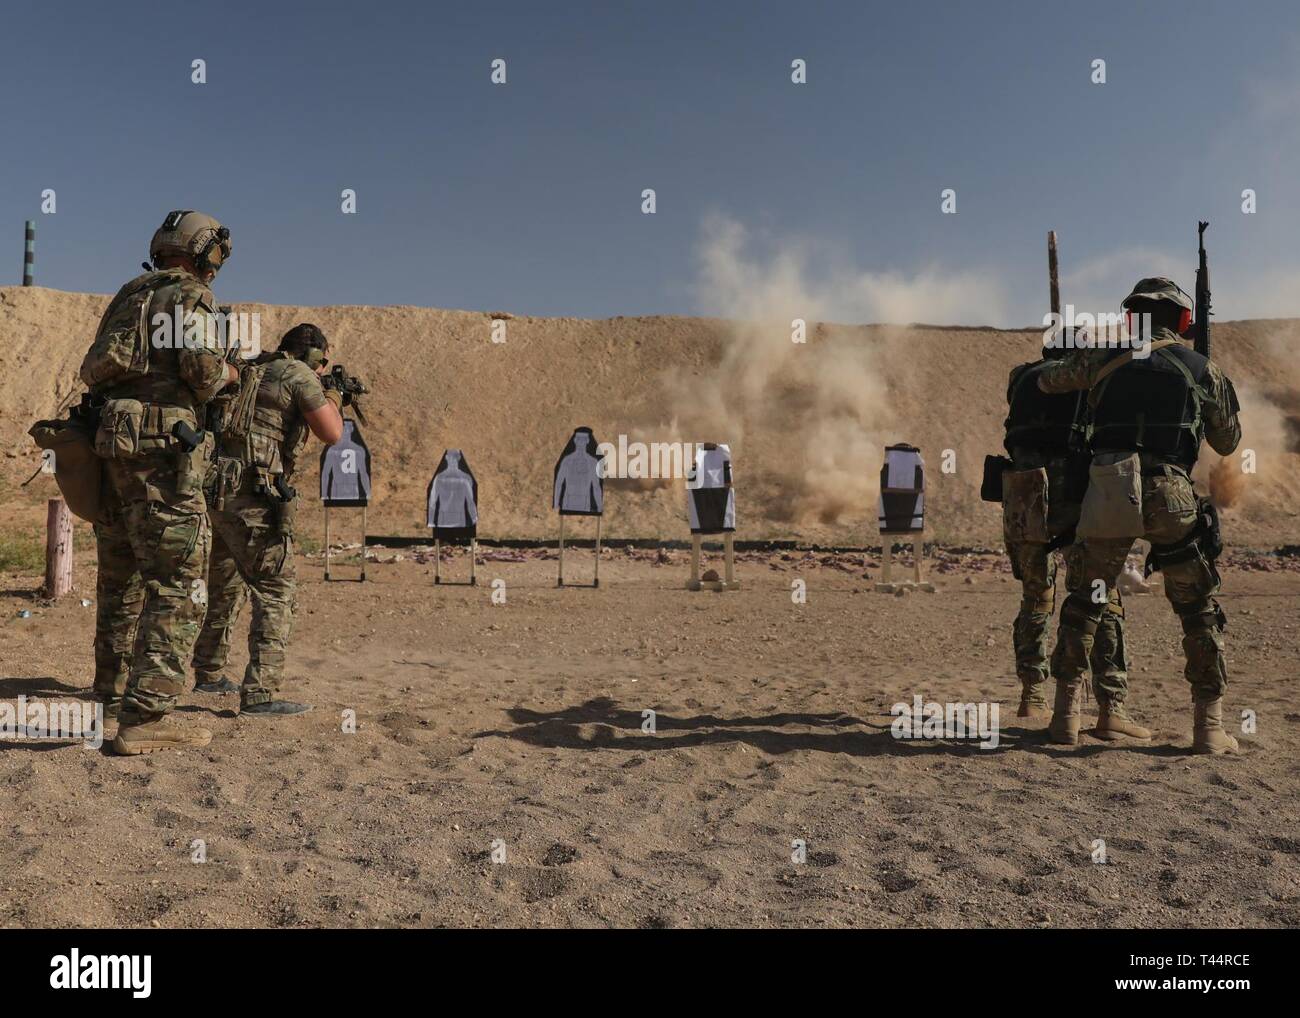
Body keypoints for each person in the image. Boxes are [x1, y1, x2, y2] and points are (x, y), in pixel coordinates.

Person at [1039, 278, 1242, 753]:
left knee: (1085, 603)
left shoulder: (1105, 360)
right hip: (1170, 492)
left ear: (1134, 317)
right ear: (1185, 322)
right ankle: (1208, 727)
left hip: (1108, 487)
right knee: (1197, 609)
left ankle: (1066, 717)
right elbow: (1227, 442)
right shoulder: (1202, 368)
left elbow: (1049, 379)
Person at [83, 210, 238, 754]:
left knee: (120, 574)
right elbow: (202, 373)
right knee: (178, 582)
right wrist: (232, 372)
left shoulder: (130, 292)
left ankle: (109, 691)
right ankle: (147, 719)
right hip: (163, 453)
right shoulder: (191, 297)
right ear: (205, 253)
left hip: (114, 448)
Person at [190, 323, 343, 715]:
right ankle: (260, 694)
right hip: (254, 496)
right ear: (313, 356)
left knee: (225, 581)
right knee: (276, 589)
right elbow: (331, 433)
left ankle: (208, 673)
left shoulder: (252, 369)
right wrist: (333, 396)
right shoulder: (299, 375)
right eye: (321, 361)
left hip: (217, 490)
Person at [1001, 333, 1144, 736]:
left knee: (1036, 597)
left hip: (1023, 495)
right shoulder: (1084, 378)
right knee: (1101, 596)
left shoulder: (1020, 377)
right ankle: (1110, 706)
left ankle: (1032, 696)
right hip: (1073, 498)